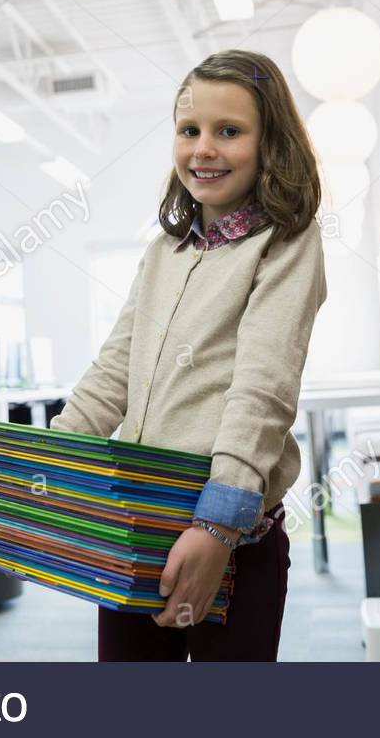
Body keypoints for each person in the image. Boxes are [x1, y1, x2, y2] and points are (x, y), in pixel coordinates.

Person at [49, 48, 327, 661]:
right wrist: (50, 459)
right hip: (135, 528)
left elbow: (263, 390)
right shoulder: (163, 253)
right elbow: (114, 371)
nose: (203, 149)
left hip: (231, 540)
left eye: (229, 131)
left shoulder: (284, 243)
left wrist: (216, 525)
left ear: (269, 142)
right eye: (189, 130)